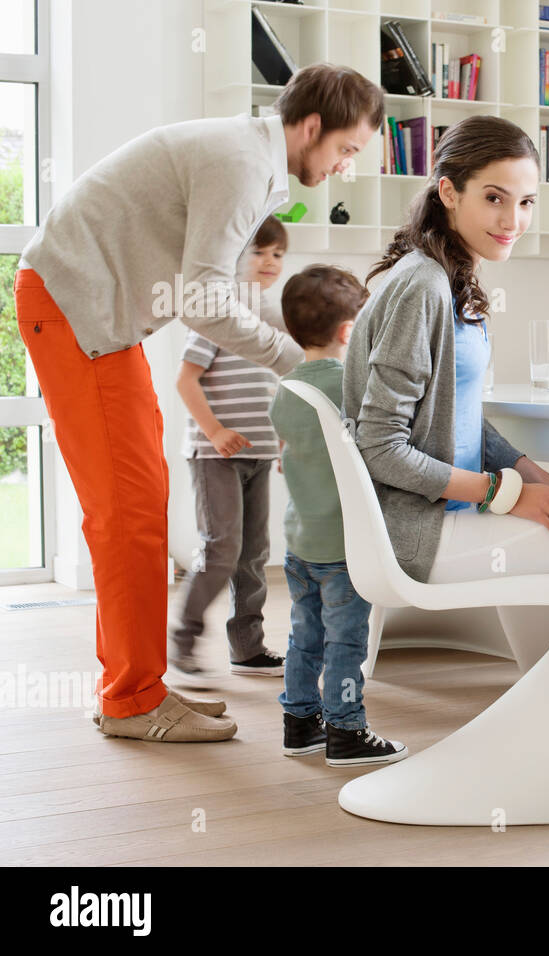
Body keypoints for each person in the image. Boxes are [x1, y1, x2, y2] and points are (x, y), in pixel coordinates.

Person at [13, 64, 384, 742]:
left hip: (92, 313)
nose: (345, 165)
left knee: (137, 504)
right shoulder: (242, 163)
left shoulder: (249, 157)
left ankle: (131, 687)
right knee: (128, 511)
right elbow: (203, 302)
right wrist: (295, 362)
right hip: (75, 307)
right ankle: (133, 700)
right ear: (310, 128)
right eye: (347, 149)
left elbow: (209, 290)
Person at [342, 114, 549, 802]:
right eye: (494, 197)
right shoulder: (423, 289)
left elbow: (464, 421)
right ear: (448, 192)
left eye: (526, 202)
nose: (513, 218)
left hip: (435, 523)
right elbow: (381, 446)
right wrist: (506, 495)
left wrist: (538, 477)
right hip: (417, 536)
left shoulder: (443, 276)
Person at [270, 264, 408, 766]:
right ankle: (346, 730)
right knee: (346, 641)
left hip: (300, 541)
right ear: (350, 332)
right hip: (343, 546)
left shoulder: (286, 390)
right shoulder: (351, 386)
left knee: (304, 636)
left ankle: (300, 722)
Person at [170, 216, 290, 680]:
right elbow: (186, 380)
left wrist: (283, 433)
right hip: (213, 453)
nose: (269, 262)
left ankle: (247, 647)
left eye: (277, 254)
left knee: (254, 553)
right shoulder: (216, 314)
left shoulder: (271, 317)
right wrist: (216, 431)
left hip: (258, 451)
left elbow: (278, 382)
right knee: (222, 549)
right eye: (258, 252)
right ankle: (183, 642)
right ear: (233, 257)